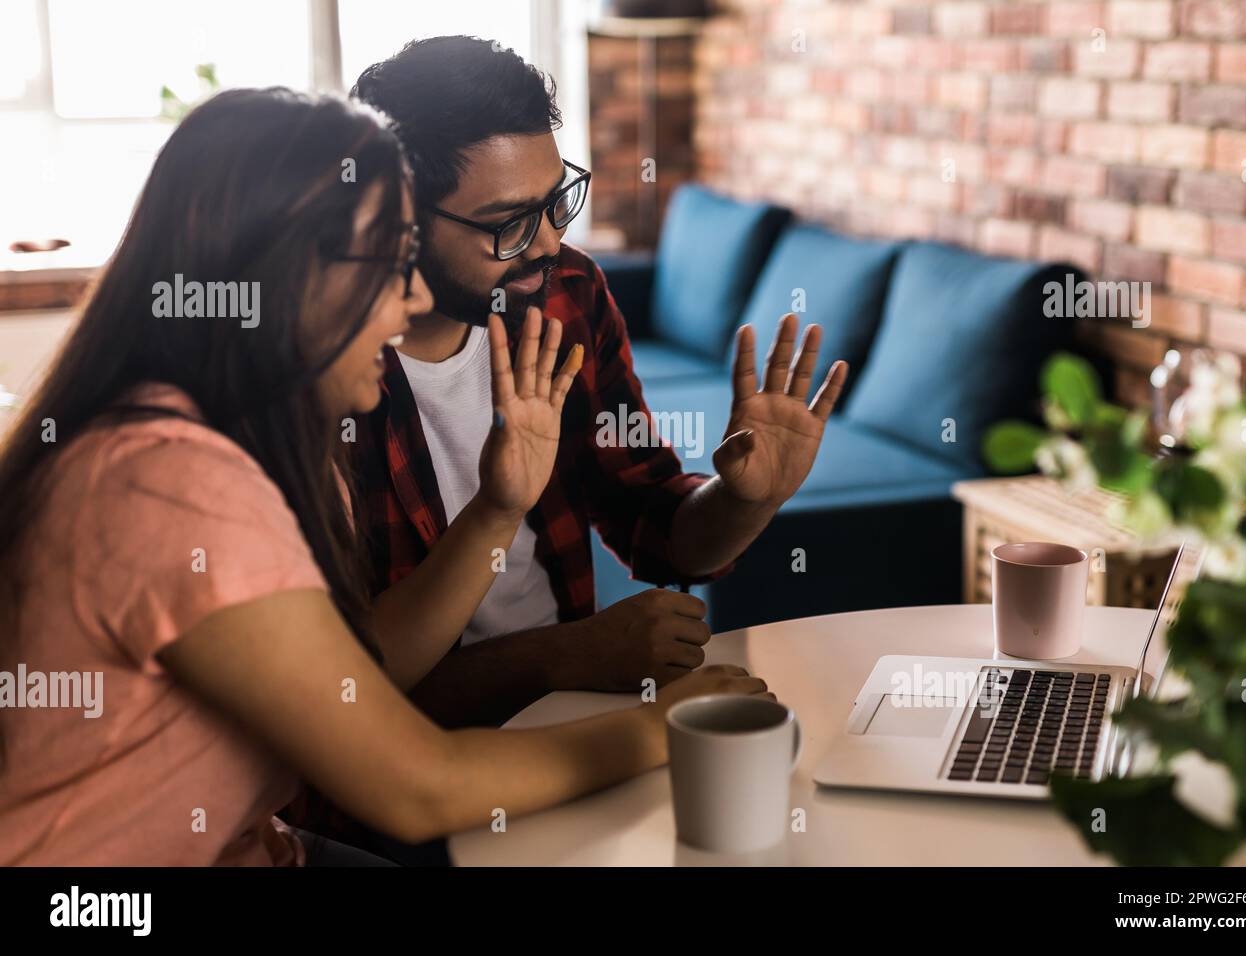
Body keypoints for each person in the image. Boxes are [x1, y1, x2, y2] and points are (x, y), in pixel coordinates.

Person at [0, 87, 768, 866]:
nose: (415, 299)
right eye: (391, 265)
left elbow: (357, 671)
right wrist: (658, 724)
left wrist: (502, 506)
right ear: (286, 279)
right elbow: (416, 786)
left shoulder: (232, 432)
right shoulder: (169, 482)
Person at [347, 35, 848, 730]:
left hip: (569, 718)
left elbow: (652, 520)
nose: (550, 243)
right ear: (396, 215)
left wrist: (745, 500)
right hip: (406, 770)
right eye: (509, 224)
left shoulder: (567, 294)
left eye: (556, 203)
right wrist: (561, 655)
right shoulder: (325, 370)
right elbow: (348, 692)